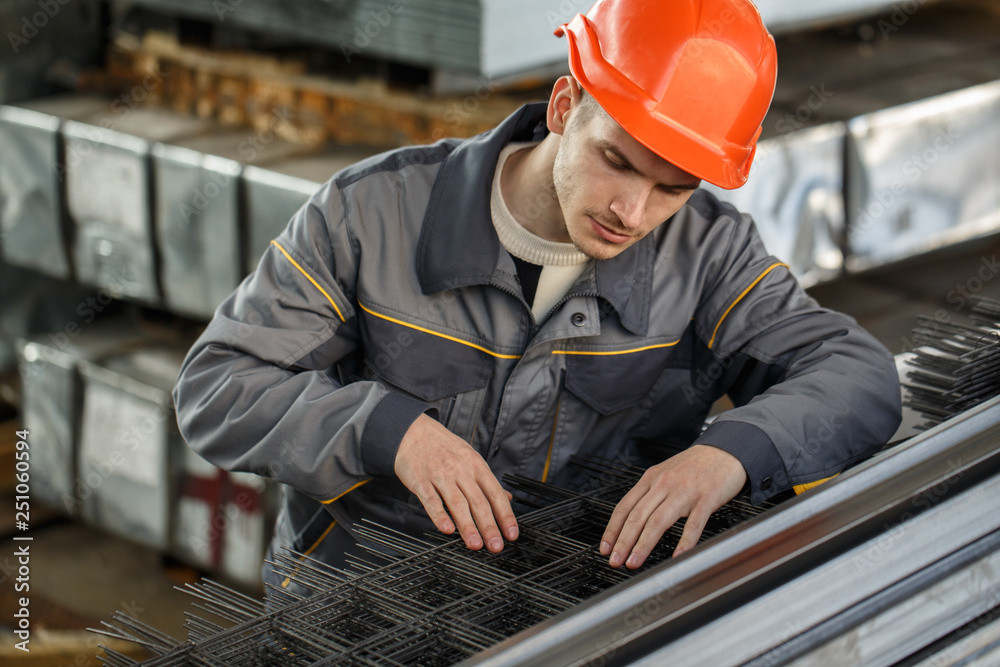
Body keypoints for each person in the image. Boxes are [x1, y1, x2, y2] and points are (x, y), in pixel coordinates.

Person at [173, 0, 901, 594]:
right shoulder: (371, 214)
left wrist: (734, 451)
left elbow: (857, 373)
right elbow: (217, 386)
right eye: (617, 160)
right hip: (349, 607)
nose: (633, 211)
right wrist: (386, 430)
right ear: (565, 104)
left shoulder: (708, 252)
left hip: (563, 614)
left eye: (672, 188)